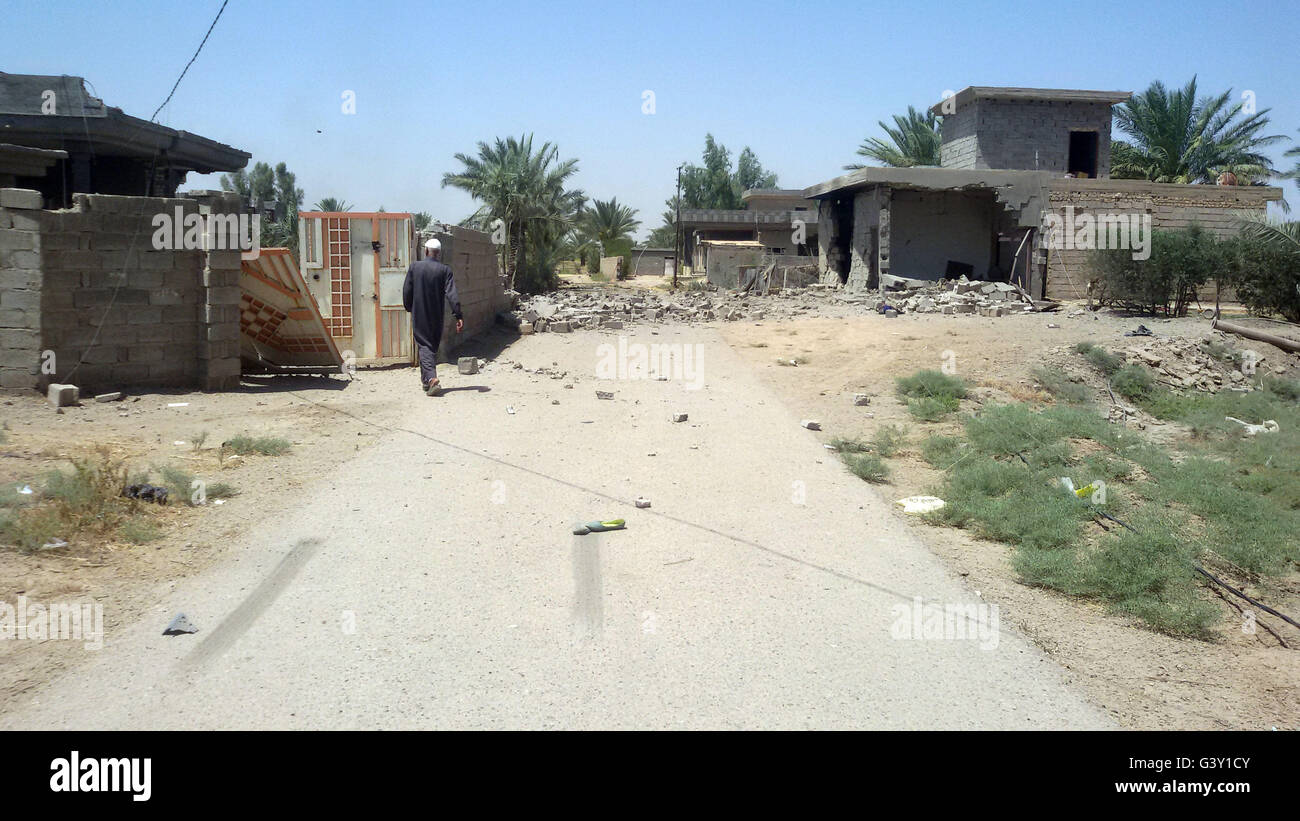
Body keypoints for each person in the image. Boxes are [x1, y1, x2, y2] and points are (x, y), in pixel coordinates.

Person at [403, 237, 464, 395]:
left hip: (420, 313)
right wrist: (458, 315)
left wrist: (409, 307)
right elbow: (452, 294)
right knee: (430, 346)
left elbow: (406, 291)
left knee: (424, 346)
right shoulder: (445, 271)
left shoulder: (414, 267)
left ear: (425, 251)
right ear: (439, 253)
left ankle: (432, 379)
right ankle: (426, 382)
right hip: (437, 315)